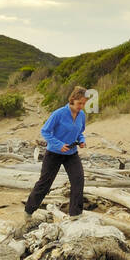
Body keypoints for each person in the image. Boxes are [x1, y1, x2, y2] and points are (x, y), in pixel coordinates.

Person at [25, 86, 88, 217]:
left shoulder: (81, 115)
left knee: (78, 180)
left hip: (71, 154)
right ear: (72, 100)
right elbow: (45, 131)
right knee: (45, 184)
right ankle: (28, 211)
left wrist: (81, 140)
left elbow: (80, 132)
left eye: (84, 103)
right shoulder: (58, 113)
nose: (81, 106)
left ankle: (75, 215)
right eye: (79, 103)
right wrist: (59, 145)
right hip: (54, 154)